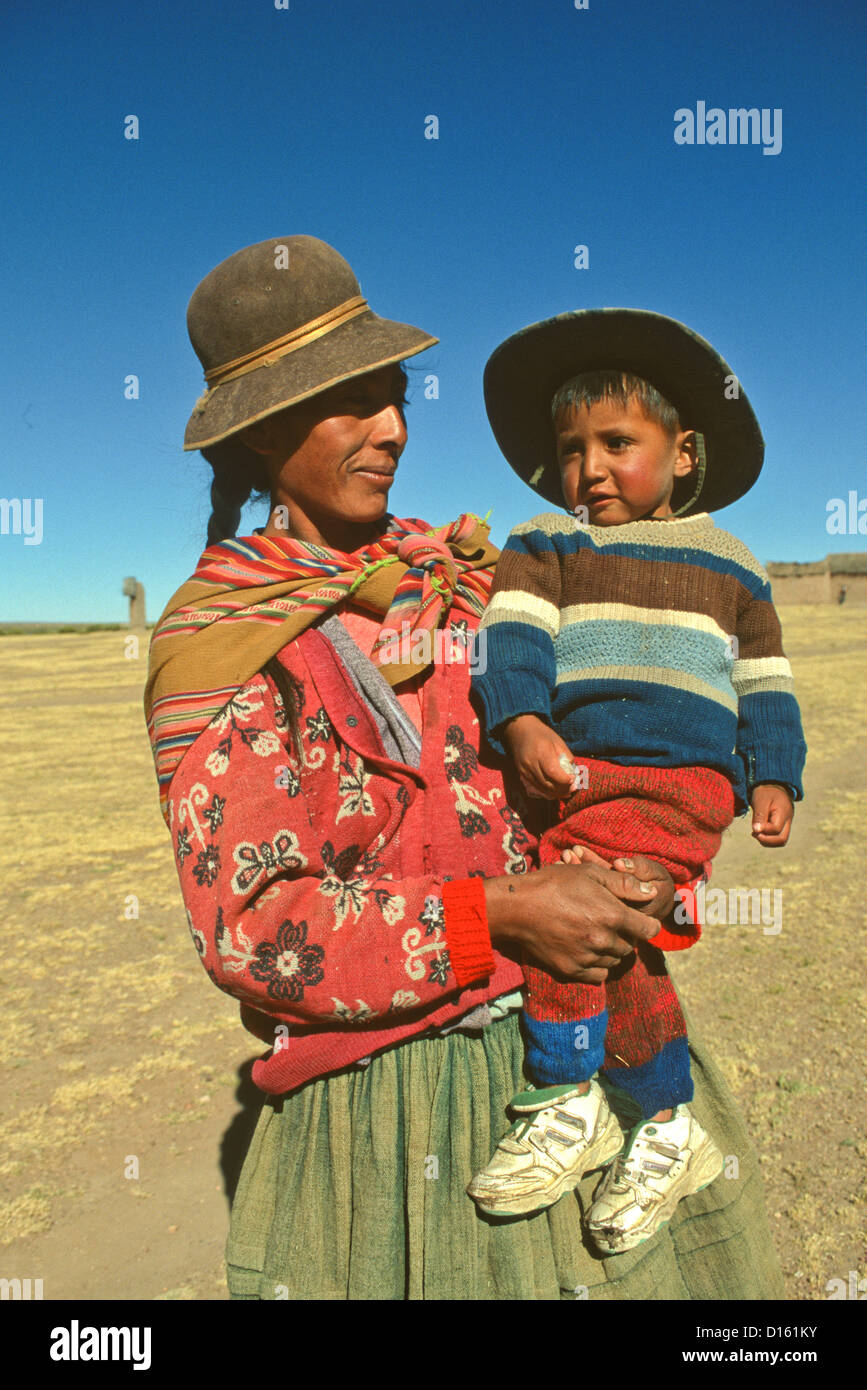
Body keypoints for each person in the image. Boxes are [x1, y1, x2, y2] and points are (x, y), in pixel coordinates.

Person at [145, 242, 785, 1299]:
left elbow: (631, 740)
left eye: (390, 394)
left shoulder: (476, 582)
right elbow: (252, 928)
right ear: (261, 431)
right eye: (349, 403)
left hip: (578, 1032)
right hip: (393, 1109)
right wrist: (500, 915)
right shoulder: (222, 639)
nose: (393, 427)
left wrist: (652, 858)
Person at [467, 310, 806, 1254]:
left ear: (682, 452)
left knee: (576, 910)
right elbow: (513, 640)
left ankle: (565, 1097)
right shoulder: (545, 541)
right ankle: (663, 1123)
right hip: (579, 774)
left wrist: (774, 772)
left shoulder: (732, 565)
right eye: (571, 449)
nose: (591, 469)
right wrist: (523, 720)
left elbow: (764, 680)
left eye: (619, 443)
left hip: (686, 784)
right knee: (613, 935)